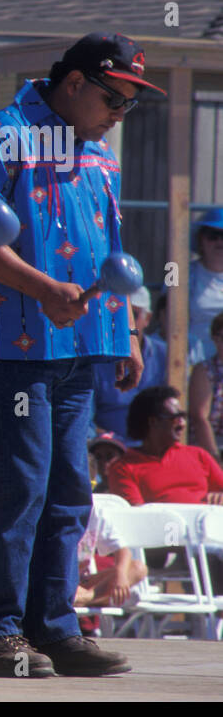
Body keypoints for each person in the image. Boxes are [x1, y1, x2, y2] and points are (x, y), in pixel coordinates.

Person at [0, 32, 158, 678]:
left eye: (129, 104)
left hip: (80, 344)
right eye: (114, 98)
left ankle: (53, 625)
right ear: (73, 83)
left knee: (70, 488)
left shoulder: (98, 153)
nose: (120, 114)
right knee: (20, 483)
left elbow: (113, 248)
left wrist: (120, 328)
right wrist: (43, 289)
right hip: (11, 344)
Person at [108, 386, 223, 507]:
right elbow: (136, 516)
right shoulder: (123, 468)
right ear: (153, 421)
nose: (182, 423)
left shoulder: (199, 455)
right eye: (175, 417)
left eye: (183, 416)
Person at [92, 286, 163, 442]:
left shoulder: (166, 356)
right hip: (108, 450)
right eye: (118, 314)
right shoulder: (96, 361)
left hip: (156, 450)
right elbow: (86, 419)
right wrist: (109, 441)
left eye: (133, 315)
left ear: (148, 319)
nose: (126, 322)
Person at [187, 207, 223, 360]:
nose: (219, 242)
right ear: (200, 239)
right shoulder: (178, 270)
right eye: (212, 235)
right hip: (192, 358)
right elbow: (166, 308)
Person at [188, 310, 223, 461]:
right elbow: (200, 417)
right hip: (210, 449)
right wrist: (215, 459)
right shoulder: (204, 370)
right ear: (215, 339)